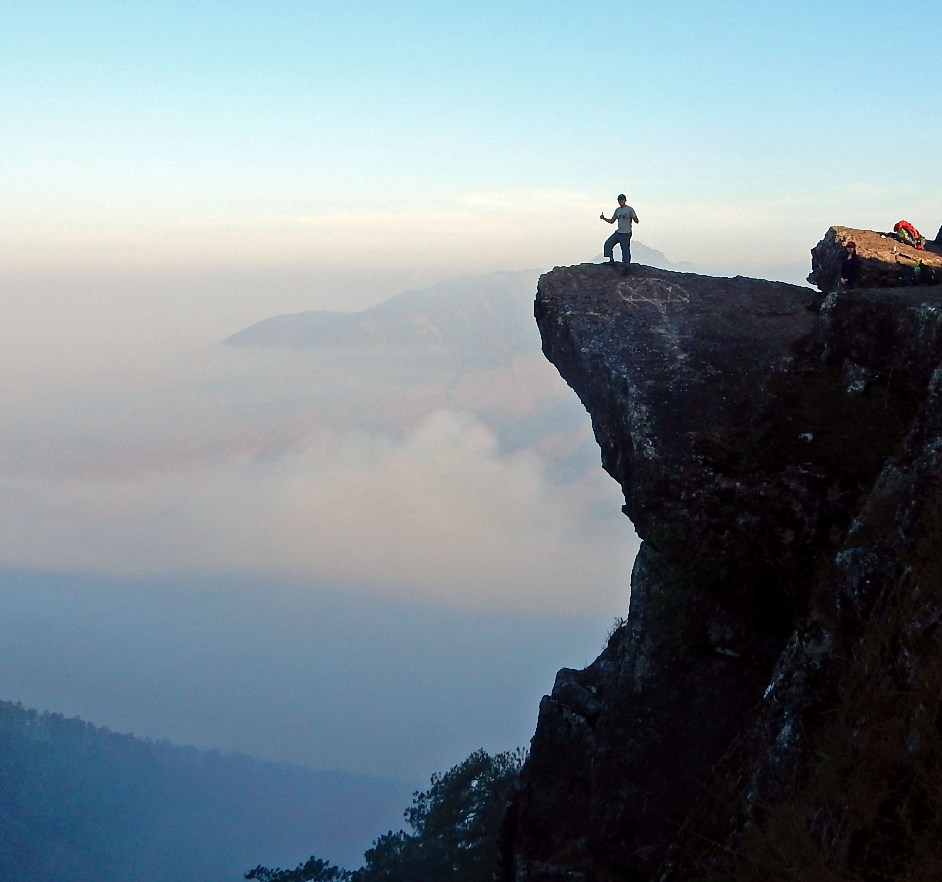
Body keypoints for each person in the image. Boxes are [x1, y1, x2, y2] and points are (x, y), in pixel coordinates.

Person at [600, 194, 640, 273]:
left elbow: (637, 221)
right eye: (619, 200)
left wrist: (633, 217)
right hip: (619, 232)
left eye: (622, 200)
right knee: (608, 244)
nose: (621, 201)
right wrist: (604, 218)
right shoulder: (617, 210)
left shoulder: (630, 209)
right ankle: (611, 260)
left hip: (626, 233)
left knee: (625, 249)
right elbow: (612, 221)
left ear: (625, 200)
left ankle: (626, 266)